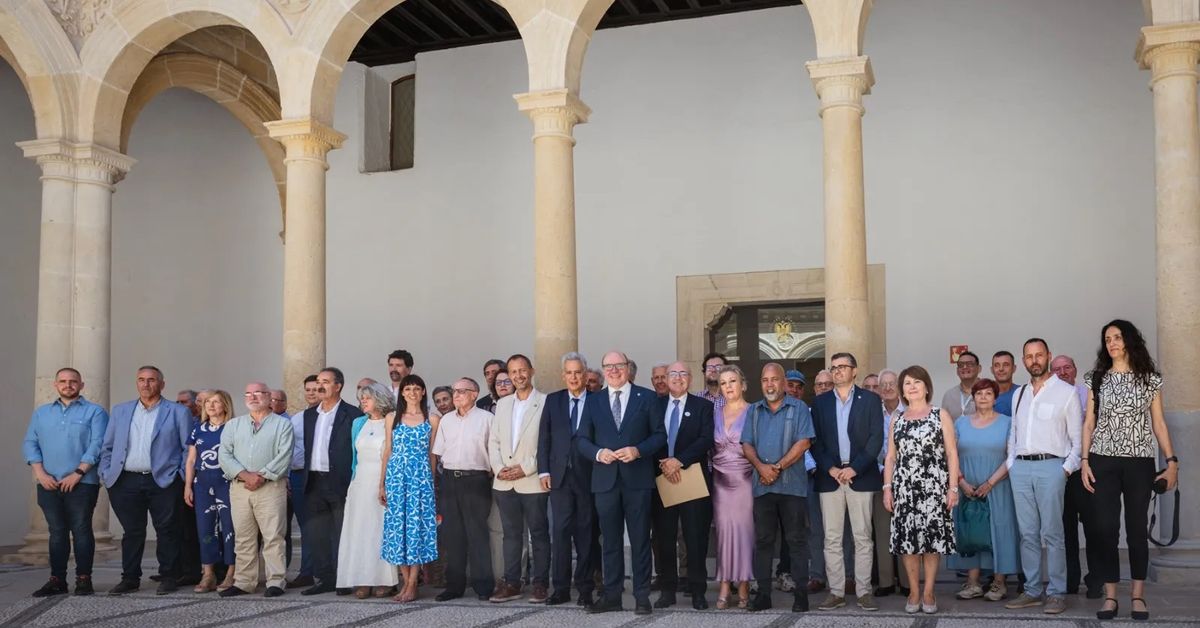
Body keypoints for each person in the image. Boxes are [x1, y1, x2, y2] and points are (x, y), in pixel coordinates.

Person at [1081, 320, 1178, 621]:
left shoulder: (1150, 379)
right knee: (1105, 529)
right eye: (1107, 338)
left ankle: (1137, 595)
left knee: (1136, 530)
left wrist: (1171, 461)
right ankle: (1111, 596)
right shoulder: (1095, 378)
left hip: (1139, 461)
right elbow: (1089, 423)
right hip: (1102, 460)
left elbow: (1158, 423)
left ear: (1130, 340)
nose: (1112, 343)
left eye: (1118, 337)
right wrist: (1084, 461)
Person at [576, 351, 666, 615]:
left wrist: (638, 450)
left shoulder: (646, 397)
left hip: (637, 479)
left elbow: (660, 435)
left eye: (619, 365)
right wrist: (597, 453)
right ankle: (612, 595)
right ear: (604, 370)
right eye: (609, 366)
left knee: (640, 540)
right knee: (610, 541)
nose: (614, 370)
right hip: (605, 481)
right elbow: (581, 439)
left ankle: (641, 597)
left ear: (628, 368)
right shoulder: (593, 401)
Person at [1003, 339, 1081, 615]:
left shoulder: (1066, 393)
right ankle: (1033, 590)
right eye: (1028, 356)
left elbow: (1077, 440)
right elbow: (1013, 432)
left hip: (1052, 467)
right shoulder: (1019, 393)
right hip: (1021, 468)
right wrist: (1011, 463)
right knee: (1027, 534)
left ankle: (1057, 592)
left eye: (1038, 355)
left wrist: (1064, 469)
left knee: (1053, 533)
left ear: (1048, 356)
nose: (1034, 360)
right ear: (1023, 361)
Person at [99, 366, 193, 595]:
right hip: (125, 481)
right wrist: (106, 472)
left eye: (151, 380)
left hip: (162, 481)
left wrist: (179, 476)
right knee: (132, 532)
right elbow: (108, 447)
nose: (146, 384)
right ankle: (130, 578)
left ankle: (169, 576)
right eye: (141, 379)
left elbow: (187, 449)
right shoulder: (121, 411)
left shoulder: (177, 412)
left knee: (167, 530)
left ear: (162, 384)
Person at [23, 367, 110, 597]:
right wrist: (40, 473)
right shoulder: (41, 413)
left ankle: (84, 579)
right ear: (55, 385)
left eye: (73, 381)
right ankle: (57, 580)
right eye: (63, 381)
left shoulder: (95, 412)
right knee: (57, 532)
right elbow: (30, 443)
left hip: (83, 483)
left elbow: (98, 444)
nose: (68, 385)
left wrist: (78, 473)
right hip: (48, 482)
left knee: (81, 530)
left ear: (81, 385)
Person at [883, 365, 960, 615]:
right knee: (909, 543)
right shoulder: (898, 419)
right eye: (907, 383)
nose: (912, 386)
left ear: (926, 386)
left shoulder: (940, 415)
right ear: (902, 390)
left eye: (917, 382)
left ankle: (928, 591)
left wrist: (953, 488)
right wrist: (887, 488)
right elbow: (891, 458)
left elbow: (951, 453)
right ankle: (913, 591)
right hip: (905, 488)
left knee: (931, 542)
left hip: (934, 488)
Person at [811, 353, 884, 612]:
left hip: (860, 476)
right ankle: (836, 592)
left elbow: (877, 438)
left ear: (854, 371)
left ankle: (864, 592)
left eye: (843, 367)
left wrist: (855, 468)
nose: (838, 371)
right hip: (830, 477)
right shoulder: (820, 403)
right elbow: (814, 441)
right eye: (834, 367)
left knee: (862, 537)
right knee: (831, 538)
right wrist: (830, 468)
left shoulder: (872, 400)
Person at [741, 363, 814, 613]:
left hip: (792, 486)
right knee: (763, 541)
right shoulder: (753, 411)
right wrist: (762, 468)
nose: (770, 384)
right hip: (763, 487)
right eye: (765, 380)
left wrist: (777, 468)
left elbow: (803, 442)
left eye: (775, 380)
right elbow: (747, 445)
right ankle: (763, 595)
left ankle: (801, 596)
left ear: (784, 383)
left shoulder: (799, 407)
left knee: (796, 541)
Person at [217, 382, 294, 598]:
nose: (252, 397)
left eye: (258, 393)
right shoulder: (233, 425)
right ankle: (244, 581)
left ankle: (276, 581)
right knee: (243, 537)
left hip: (270, 487)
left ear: (269, 397)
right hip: (240, 488)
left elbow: (284, 454)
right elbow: (224, 455)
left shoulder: (282, 425)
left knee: (273, 536)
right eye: (248, 393)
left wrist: (261, 476)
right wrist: (245, 475)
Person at [947, 379, 1019, 602]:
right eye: (979, 394)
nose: (984, 397)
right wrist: (961, 483)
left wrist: (990, 482)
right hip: (968, 487)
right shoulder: (960, 422)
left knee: (1001, 532)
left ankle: (999, 582)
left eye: (989, 393)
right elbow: (951, 455)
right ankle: (973, 582)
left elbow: (1012, 456)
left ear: (995, 398)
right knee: (971, 532)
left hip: (998, 486)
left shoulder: (1007, 422)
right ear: (974, 398)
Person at [650, 361, 714, 610]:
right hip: (662, 478)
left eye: (682, 374)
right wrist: (665, 464)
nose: (678, 378)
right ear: (665, 379)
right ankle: (667, 590)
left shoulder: (703, 406)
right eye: (673, 374)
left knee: (695, 537)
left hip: (692, 478)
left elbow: (706, 438)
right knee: (664, 538)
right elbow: (648, 438)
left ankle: (698, 590)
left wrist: (679, 461)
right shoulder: (654, 406)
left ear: (690, 378)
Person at [488, 354, 551, 603]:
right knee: (511, 534)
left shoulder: (545, 403)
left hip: (531, 480)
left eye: (522, 370)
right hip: (504, 481)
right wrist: (499, 467)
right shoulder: (502, 404)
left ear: (531, 371)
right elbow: (493, 441)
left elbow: (548, 442)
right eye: (513, 372)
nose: (518, 376)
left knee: (539, 533)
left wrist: (526, 468)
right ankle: (512, 582)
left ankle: (540, 584)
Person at [537, 352, 599, 607]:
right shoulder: (553, 401)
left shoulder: (598, 401)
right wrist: (544, 471)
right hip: (559, 478)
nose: (574, 377)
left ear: (585, 375)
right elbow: (544, 438)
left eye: (578, 372)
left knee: (586, 534)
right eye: (569, 373)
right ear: (563, 376)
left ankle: (585, 588)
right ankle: (560, 588)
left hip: (588, 477)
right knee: (560, 534)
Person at [300, 367, 361, 596]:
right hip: (314, 481)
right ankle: (324, 578)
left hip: (340, 481)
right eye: (318, 381)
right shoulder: (309, 415)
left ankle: (344, 579)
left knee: (342, 533)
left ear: (338, 386)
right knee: (318, 534)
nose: (320, 386)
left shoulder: (352, 414)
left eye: (325, 382)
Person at [432, 378, 494, 602]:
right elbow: (439, 452)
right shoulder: (446, 420)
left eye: (461, 391)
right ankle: (454, 586)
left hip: (476, 480)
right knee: (453, 535)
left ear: (475, 394)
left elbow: (493, 452)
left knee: (477, 533)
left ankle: (484, 585)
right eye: (454, 391)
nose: (456, 395)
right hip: (450, 479)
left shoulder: (487, 419)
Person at [336, 383, 400, 599]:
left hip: (383, 482)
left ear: (380, 399)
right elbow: (354, 455)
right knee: (359, 530)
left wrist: (386, 484)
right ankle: (362, 578)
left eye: (367, 398)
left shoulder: (392, 421)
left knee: (380, 530)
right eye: (361, 398)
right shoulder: (358, 423)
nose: (362, 401)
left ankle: (385, 580)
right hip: (360, 481)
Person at [382, 375, 440, 602]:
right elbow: (387, 451)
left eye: (417, 388)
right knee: (398, 530)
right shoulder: (392, 418)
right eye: (408, 389)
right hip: (396, 478)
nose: (412, 392)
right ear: (402, 392)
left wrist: (432, 483)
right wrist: (382, 484)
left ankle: (413, 583)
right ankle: (405, 581)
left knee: (416, 530)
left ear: (423, 392)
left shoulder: (432, 419)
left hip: (420, 479)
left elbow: (433, 455)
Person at [1051, 354, 1099, 597]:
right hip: (1061, 471)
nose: (1062, 372)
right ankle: (1070, 580)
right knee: (1065, 529)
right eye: (1057, 369)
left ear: (1075, 369)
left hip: (1087, 471)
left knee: (1093, 527)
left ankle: (1095, 581)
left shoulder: (1088, 395)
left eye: (1066, 367)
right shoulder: (1049, 399)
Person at [183, 390, 236, 593]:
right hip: (203, 485)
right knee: (205, 528)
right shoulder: (198, 429)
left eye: (216, 402)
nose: (211, 406)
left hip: (227, 484)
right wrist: (188, 486)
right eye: (207, 402)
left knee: (230, 528)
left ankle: (231, 572)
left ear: (226, 405)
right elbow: (191, 460)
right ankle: (208, 573)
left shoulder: (233, 428)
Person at [711, 365, 754, 610]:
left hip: (744, 479)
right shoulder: (713, 414)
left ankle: (744, 584)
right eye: (723, 382)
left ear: (743, 385)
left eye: (732, 381)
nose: (728, 386)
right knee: (723, 534)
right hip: (719, 481)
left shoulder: (754, 411)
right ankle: (725, 583)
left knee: (744, 533)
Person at [872, 369, 906, 596]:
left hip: (906, 478)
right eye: (882, 384)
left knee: (905, 529)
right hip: (877, 475)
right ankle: (885, 582)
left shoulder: (910, 411)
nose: (887, 387)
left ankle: (906, 581)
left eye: (892, 383)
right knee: (883, 530)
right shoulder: (873, 412)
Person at [285, 374, 319, 589]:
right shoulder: (296, 419)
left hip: (320, 475)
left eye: (316, 389)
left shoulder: (332, 417)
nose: (311, 393)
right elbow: (289, 450)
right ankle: (306, 571)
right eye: (308, 389)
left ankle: (328, 571)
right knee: (306, 526)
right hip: (298, 476)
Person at [942, 351, 981, 420]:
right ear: (957, 371)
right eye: (961, 365)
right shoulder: (949, 395)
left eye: (969, 364)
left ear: (979, 368)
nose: (965, 367)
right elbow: (944, 423)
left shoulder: (989, 392)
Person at [699, 352, 728, 416]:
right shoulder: (697, 398)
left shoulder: (733, 397)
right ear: (704, 373)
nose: (713, 370)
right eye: (709, 367)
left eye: (718, 367)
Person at [991, 351, 1019, 416]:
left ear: (1014, 368)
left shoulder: (1022, 393)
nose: (1001, 369)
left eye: (1006, 365)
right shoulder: (984, 396)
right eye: (997, 365)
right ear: (992, 369)